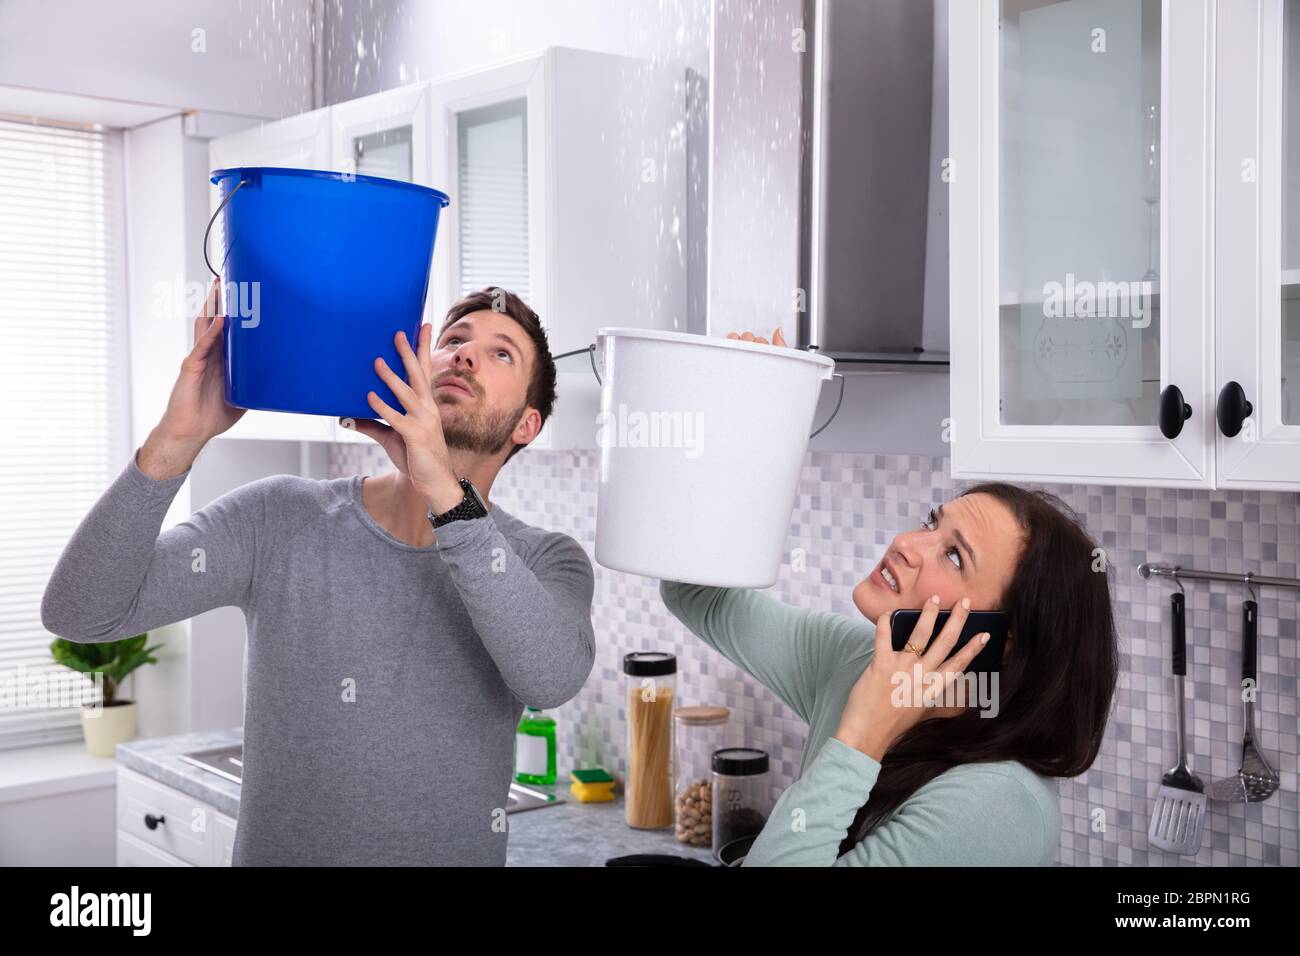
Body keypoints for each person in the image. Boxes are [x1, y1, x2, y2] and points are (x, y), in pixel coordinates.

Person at [41, 281, 596, 865]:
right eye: (454, 339)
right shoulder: (280, 516)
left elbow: (551, 678)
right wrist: (179, 438)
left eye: (501, 352)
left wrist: (442, 491)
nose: (463, 354)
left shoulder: (544, 561)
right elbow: (81, 611)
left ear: (526, 426)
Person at [659, 328, 1118, 866]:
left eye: (953, 555)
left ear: (1000, 642)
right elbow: (693, 591)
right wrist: (741, 416)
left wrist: (862, 733)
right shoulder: (859, 661)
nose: (906, 544)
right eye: (931, 523)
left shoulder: (995, 807)